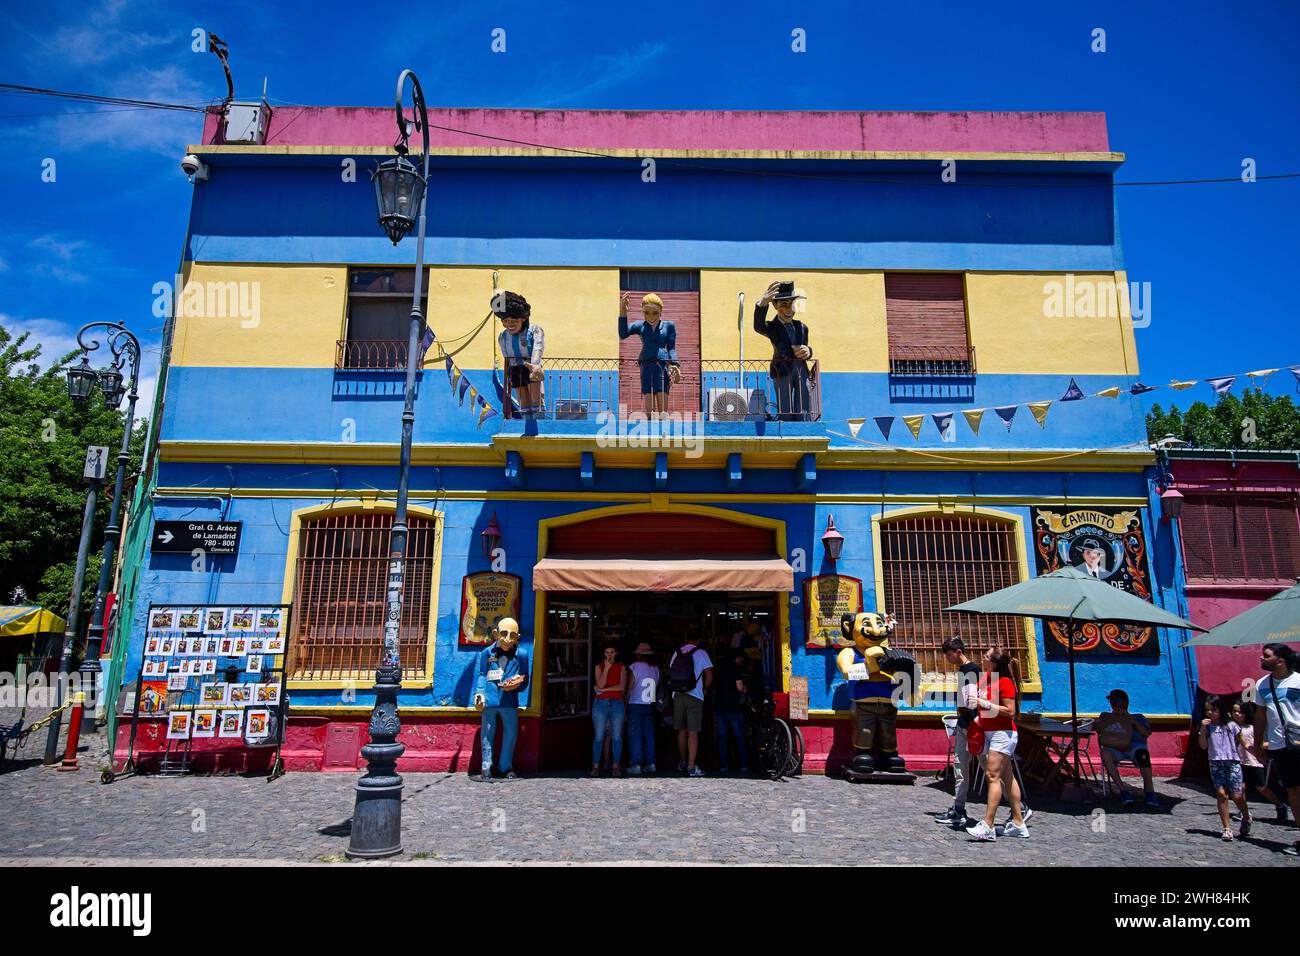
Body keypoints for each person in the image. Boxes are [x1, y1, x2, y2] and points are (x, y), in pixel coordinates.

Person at [966, 647, 1028, 841]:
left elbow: (1010, 711)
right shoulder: (985, 679)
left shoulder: (1005, 682)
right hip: (988, 732)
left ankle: (988, 825)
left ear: (993, 663)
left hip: (1003, 733)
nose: (982, 658)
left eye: (985, 656)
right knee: (1008, 778)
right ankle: (1018, 823)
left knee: (992, 776)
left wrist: (984, 704)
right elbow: (982, 707)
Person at [1252, 643, 1300, 856]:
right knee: (1293, 791)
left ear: (1280, 660)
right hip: (1280, 745)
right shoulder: (1262, 684)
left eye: (1266, 655)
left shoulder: (1298, 681)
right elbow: (1260, 715)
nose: (1261, 658)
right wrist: (1257, 743)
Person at [472, 617, 529, 781]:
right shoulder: (486, 653)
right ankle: (486, 766)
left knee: (510, 733)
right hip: (490, 700)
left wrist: (516, 685)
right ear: (496, 633)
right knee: (487, 732)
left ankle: (505, 766)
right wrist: (480, 692)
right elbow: (482, 675)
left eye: (512, 635)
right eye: (504, 634)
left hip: (509, 701)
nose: (507, 639)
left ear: (517, 637)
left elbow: (525, 679)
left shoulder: (522, 655)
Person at [934, 637, 982, 829]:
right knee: (960, 767)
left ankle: (1018, 807)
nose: (948, 659)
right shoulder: (965, 670)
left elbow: (972, 702)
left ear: (958, 652)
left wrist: (968, 722)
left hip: (971, 726)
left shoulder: (971, 671)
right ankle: (958, 808)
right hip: (965, 724)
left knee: (987, 769)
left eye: (949, 655)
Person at [753, 280, 814, 421]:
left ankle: (803, 423)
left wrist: (808, 351)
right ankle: (786, 424)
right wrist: (762, 304)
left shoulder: (802, 327)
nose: (788, 309)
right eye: (784, 305)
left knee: (804, 397)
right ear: (775, 306)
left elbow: (806, 348)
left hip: (801, 368)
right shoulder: (772, 327)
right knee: (784, 402)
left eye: (791, 304)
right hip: (782, 369)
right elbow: (758, 326)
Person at [618, 292, 680, 418]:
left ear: (660, 311)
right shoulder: (640, 325)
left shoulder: (669, 326)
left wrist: (675, 364)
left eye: (655, 313)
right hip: (646, 364)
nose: (651, 317)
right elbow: (623, 334)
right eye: (647, 313)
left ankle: (663, 425)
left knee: (662, 393)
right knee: (648, 393)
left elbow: (671, 348)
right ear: (643, 312)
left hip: (662, 365)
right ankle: (650, 423)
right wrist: (623, 312)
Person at [1200, 696, 1252, 840]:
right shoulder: (1207, 727)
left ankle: (1246, 816)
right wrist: (1202, 729)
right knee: (1221, 794)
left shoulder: (1231, 725)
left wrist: (1257, 753)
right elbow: (1203, 746)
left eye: (1213, 710)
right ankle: (1227, 828)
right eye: (1207, 710)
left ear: (1220, 710)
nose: (1209, 713)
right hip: (1215, 762)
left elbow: (1244, 742)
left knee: (1237, 795)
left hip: (1232, 762)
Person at [1096, 689, 1159, 807]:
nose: (1114, 704)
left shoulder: (1138, 717)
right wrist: (1110, 719)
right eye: (1112, 701)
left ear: (1125, 702)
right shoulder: (1105, 716)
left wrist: (1131, 720)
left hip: (1134, 748)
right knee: (1105, 753)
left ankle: (1149, 791)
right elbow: (1098, 730)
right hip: (1114, 748)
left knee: (1143, 755)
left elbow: (1146, 733)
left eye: (1116, 701)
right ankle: (1123, 791)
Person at [1234, 700, 1289, 822]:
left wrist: (1259, 748)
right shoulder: (1233, 727)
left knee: (1261, 787)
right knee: (1240, 787)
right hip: (1239, 761)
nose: (1237, 714)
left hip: (1254, 761)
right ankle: (1243, 811)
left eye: (1240, 712)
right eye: (1235, 711)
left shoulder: (1252, 728)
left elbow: (1263, 743)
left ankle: (1279, 805)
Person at [495, 291, 545, 419]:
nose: (509, 324)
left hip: (531, 368)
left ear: (522, 318)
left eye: (514, 320)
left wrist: (535, 366)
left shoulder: (534, 330)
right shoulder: (503, 336)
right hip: (515, 370)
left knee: (536, 400)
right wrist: (509, 372)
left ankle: (539, 420)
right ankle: (527, 420)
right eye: (506, 321)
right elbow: (506, 356)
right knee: (524, 403)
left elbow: (538, 348)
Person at [668, 633, 713, 777]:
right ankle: (691, 766)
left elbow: (671, 671)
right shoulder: (702, 653)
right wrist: (704, 689)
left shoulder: (677, 652)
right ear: (699, 640)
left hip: (678, 695)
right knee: (693, 732)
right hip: (695, 695)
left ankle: (682, 761)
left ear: (685, 639)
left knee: (681, 730)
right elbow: (709, 675)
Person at [591, 643, 627, 777]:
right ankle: (595, 766)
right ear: (604, 654)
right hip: (601, 704)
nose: (609, 655)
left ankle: (616, 765)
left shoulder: (621, 667)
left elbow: (621, 687)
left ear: (616, 653)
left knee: (616, 736)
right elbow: (599, 684)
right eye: (607, 652)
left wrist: (605, 690)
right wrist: (606, 668)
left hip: (617, 703)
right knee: (599, 736)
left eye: (612, 652)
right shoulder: (598, 667)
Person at [713, 648, 750, 774]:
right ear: (738, 658)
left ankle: (723, 765)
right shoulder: (735, 668)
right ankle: (744, 765)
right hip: (733, 707)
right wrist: (745, 689)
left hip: (720, 705)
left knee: (722, 737)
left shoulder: (719, 668)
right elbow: (739, 687)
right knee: (739, 737)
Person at [626, 643, 659, 775]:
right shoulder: (655, 668)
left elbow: (630, 686)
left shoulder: (634, 666)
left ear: (639, 654)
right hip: (649, 703)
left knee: (635, 734)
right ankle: (651, 763)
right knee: (649, 735)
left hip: (636, 703)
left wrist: (625, 700)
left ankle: (636, 763)